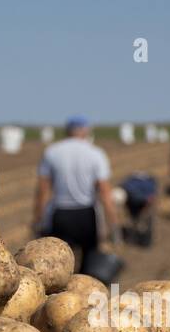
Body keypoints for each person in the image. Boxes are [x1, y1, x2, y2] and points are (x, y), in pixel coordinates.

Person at [32, 116, 118, 271]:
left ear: (67, 131)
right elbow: (104, 192)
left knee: (58, 266)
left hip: (61, 215)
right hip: (87, 215)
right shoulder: (96, 153)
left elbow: (43, 190)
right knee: (89, 266)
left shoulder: (52, 152)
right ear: (86, 131)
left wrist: (37, 219)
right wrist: (113, 223)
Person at [118, 171, 158, 247]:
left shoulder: (147, 187)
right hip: (135, 201)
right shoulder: (125, 186)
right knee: (134, 219)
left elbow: (151, 199)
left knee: (146, 221)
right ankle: (134, 237)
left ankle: (145, 241)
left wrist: (145, 210)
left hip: (145, 201)